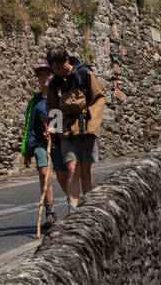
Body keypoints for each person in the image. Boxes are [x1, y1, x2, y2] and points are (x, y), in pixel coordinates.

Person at [46, 45, 105, 212]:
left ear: (66, 60)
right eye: (53, 68)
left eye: (59, 67)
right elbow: (52, 106)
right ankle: (73, 209)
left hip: (86, 130)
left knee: (85, 171)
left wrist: (92, 127)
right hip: (67, 131)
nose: (56, 71)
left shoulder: (84, 73)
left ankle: (88, 209)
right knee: (72, 167)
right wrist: (56, 129)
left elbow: (98, 98)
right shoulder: (54, 84)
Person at [20, 63, 59, 230]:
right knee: (45, 173)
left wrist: (52, 131)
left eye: (47, 75)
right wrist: (27, 150)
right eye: (41, 75)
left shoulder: (57, 98)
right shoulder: (34, 101)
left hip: (57, 142)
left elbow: (58, 122)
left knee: (64, 176)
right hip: (39, 144)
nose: (44, 78)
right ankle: (50, 213)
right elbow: (28, 126)